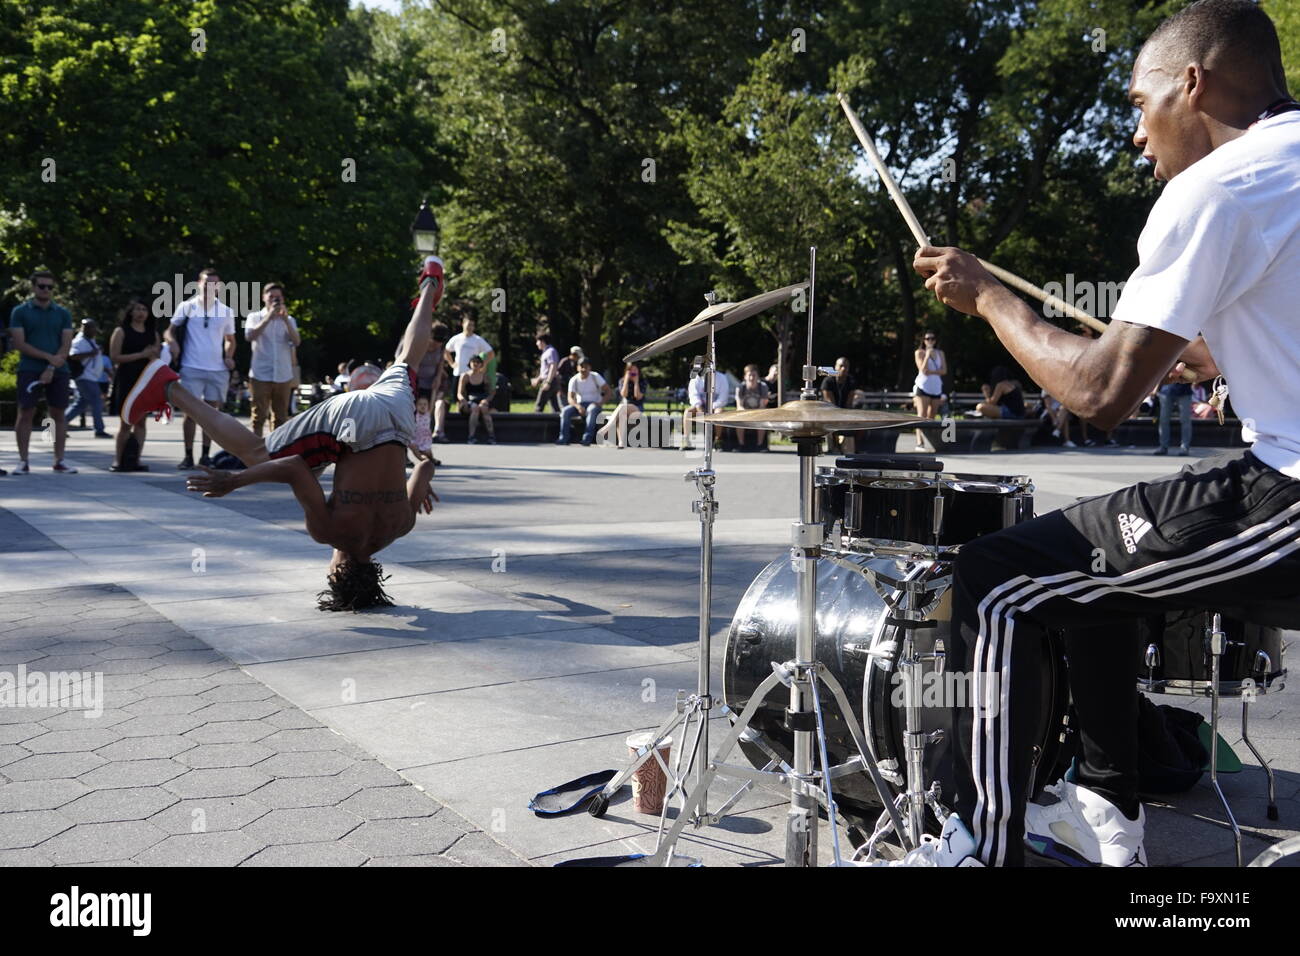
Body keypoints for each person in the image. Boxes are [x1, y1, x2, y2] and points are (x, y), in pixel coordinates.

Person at [901, 0, 1300, 868]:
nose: (1135, 133)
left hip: (1293, 492)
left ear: (1192, 82)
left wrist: (991, 300)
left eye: (1136, 101)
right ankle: (1108, 800)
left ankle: (980, 843)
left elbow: (1098, 394)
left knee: (998, 574)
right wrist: (1206, 349)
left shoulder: (1215, 189)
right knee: (1089, 559)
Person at [122, 256, 445, 612]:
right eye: (331, 573)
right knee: (259, 452)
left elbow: (425, 468)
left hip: (396, 417)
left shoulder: (401, 525)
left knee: (407, 361)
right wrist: (235, 481)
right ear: (339, 573)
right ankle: (169, 387)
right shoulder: (330, 531)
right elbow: (292, 467)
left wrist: (419, 486)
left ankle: (429, 285)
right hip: (353, 420)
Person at [166, 267, 236, 470]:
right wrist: (173, 343)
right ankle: (188, 455)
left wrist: (229, 356)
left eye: (214, 283)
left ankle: (205, 455)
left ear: (219, 287)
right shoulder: (187, 306)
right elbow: (169, 331)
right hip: (191, 366)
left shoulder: (226, 311)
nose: (209, 286)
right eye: (206, 283)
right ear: (199, 284)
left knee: (212, 414)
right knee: (190, 413)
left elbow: (230, 339)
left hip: (216, 368)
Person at [9, 269, 76, 474]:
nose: (46, 290)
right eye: (42, 286)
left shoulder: (63, 313)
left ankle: (59, 460)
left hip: (59, 369)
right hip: (29, 368)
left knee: (58, 414)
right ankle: (23, 461)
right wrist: (48, 358)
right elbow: (20, 343)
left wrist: (51, 366)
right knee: (26, 412)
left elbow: (66, 344)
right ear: (33, 287)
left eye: (50, 287)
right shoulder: (20, 311)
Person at [109, 298, 161, 472]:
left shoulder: (153, 333)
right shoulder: (121, 331)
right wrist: (141, 354)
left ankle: (136, 459)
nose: (141, 313)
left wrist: (152, 355)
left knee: (141, 423)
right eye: (137, 309)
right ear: (130, 312)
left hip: (144, 380)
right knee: (125, 423)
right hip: (126, 379)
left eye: (144, 309)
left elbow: (156, 356)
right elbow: (115, 357)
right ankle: (118, 460)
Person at [244, 281, 301, 437]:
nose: (275, 301)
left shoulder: (289, 320)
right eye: (271, 297)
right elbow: (250, 336)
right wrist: (268, 317)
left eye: (278, 298)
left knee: (281, 417)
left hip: (283, 374)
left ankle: (276, 453)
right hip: (260, 373)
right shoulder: (254, 317)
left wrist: (286, 320)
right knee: (258, 416)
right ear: (264, 298)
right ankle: (256, 451)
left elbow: (296, 341)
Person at [64, 319, 112, 438]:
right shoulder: (80, 341)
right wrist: (91, 353)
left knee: (81, 404)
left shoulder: (89, 340)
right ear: (84, 328)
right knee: (97, 401)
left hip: (90, 376)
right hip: (85, 376)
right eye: (91, 328)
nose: (94, 331)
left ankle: (59, 425)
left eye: (94, 328)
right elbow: (72, 355)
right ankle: (99, 429)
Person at [558, 358, 609, 446]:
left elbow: (608, 391)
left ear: (590, 367)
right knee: (565, 411)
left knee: (591, 410)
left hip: (594, 404)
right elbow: (570, 398)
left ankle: (587, 439)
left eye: (586, 367)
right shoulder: (574, 380)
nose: (583, 369)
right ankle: (563, 438)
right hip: (580, 404)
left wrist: (600, 403)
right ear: (577, 367)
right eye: (581, 366)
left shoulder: (595, 376)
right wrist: (578, 406)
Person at [444, 313, 493, 404]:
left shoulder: (478, 340)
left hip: (472, 375)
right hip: (459, 371)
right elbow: (446, 351)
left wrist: (483, 365)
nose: (470, 327)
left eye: (472, 325)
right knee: (457, 400)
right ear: (463, 324)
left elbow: (491, 353)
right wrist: (451, 363)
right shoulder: (456, 338)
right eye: (468, 324)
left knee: (470, 400)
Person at [416, 321, 451, 443]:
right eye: (435, 342)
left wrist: (438, 377)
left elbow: (441, 362)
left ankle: (438, 431)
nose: (437, 345)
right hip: (418, 381)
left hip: (433, 381)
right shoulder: (420, 344)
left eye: (440, 343)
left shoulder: (441, 347)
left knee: (439, 403)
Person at [595, 362, 645, 449]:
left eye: (635, 370)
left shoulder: (642, 381)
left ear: (638, 371)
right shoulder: (622, 381)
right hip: (624, 409)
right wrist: (626, 380)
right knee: (622, 414)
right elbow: (623, 395)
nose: (633, 372)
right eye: (630, 370)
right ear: (627, 371)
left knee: (622, 407)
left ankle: (608, 427)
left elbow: (638, 397)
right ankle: (621, 443)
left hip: (637, 408)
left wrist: (636, 382)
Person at [681, 364, 730, 450]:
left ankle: (718, 440)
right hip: (700, 407)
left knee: (719, 413)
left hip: (715, 407)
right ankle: (686, 440)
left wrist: (712, 408)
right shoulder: (696, 378)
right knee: (688, 412)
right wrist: (699, 407)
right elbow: (693, 395)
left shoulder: (722, 378)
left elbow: (723, 397)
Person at [912, 332, 946, 452]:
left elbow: (944, 371)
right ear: (924, 340)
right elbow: (922, 369)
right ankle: (919, 442)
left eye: (932, 338)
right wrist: (927, 355)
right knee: (921, 415)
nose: (930, 340)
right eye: (927, 338)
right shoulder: (919, 352)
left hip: (936, 387)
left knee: (931, 416)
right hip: (923, 386)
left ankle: (929, 441)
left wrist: (930, 372)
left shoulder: (940, 353)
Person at [820, 356, 860, 454]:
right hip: (829, 413)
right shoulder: (828, 381)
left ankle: (849, 450)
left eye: (846, 366)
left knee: (853, 427)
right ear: (835, 367)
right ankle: (831, 447)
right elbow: (829, 402)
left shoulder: (851, 381)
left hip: (844, 413)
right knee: (827, 424)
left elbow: (849, 403)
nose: (844, 368)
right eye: (841, 366)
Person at [458, 353, 497, 444]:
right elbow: (459, 393)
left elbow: (491, 392)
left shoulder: (485, 377)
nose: (475, 364)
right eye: (473, 362)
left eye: (478, 362)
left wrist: (486, 400)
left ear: (481, 364)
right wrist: (463, 401)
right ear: (470, 363)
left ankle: (491, 435)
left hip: (482, 399)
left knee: (483, 408)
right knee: (475, 408)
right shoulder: (465, 376)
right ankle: (471, 436)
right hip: (470, 401)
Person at [733, 363, 771, 451]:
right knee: (739, 421)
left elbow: (762, 406)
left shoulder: (763, 387)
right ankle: (741, 444)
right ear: (745, 376)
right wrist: (746, 414)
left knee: (762, 420)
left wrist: (754, 415)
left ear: (757, 376)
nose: (752, 378)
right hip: (744, 412)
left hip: (758, 412)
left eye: (754, 375)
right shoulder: (740, 387)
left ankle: (760, 445)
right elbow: (739, 406)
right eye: (750, 375)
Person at [1155, 381, 1194, 456]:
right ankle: (1163, 446)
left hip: (1184, 390)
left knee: (1185, 420)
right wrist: (1155, 389)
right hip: (1166, 390)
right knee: (1163, 420)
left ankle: (1185, 447)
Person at [532, 332, 561, 412]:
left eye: (537, 341)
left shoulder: (551, 351)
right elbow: (545, 370)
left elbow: (553, 366)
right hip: (550, 380)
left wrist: (548, 382)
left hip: (550, 381)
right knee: (555, 407)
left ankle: (535, 423)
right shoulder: (546, 352)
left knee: (539, 405)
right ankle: (558, 423)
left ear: (542, 341)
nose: (536, 343)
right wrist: (538, 379)